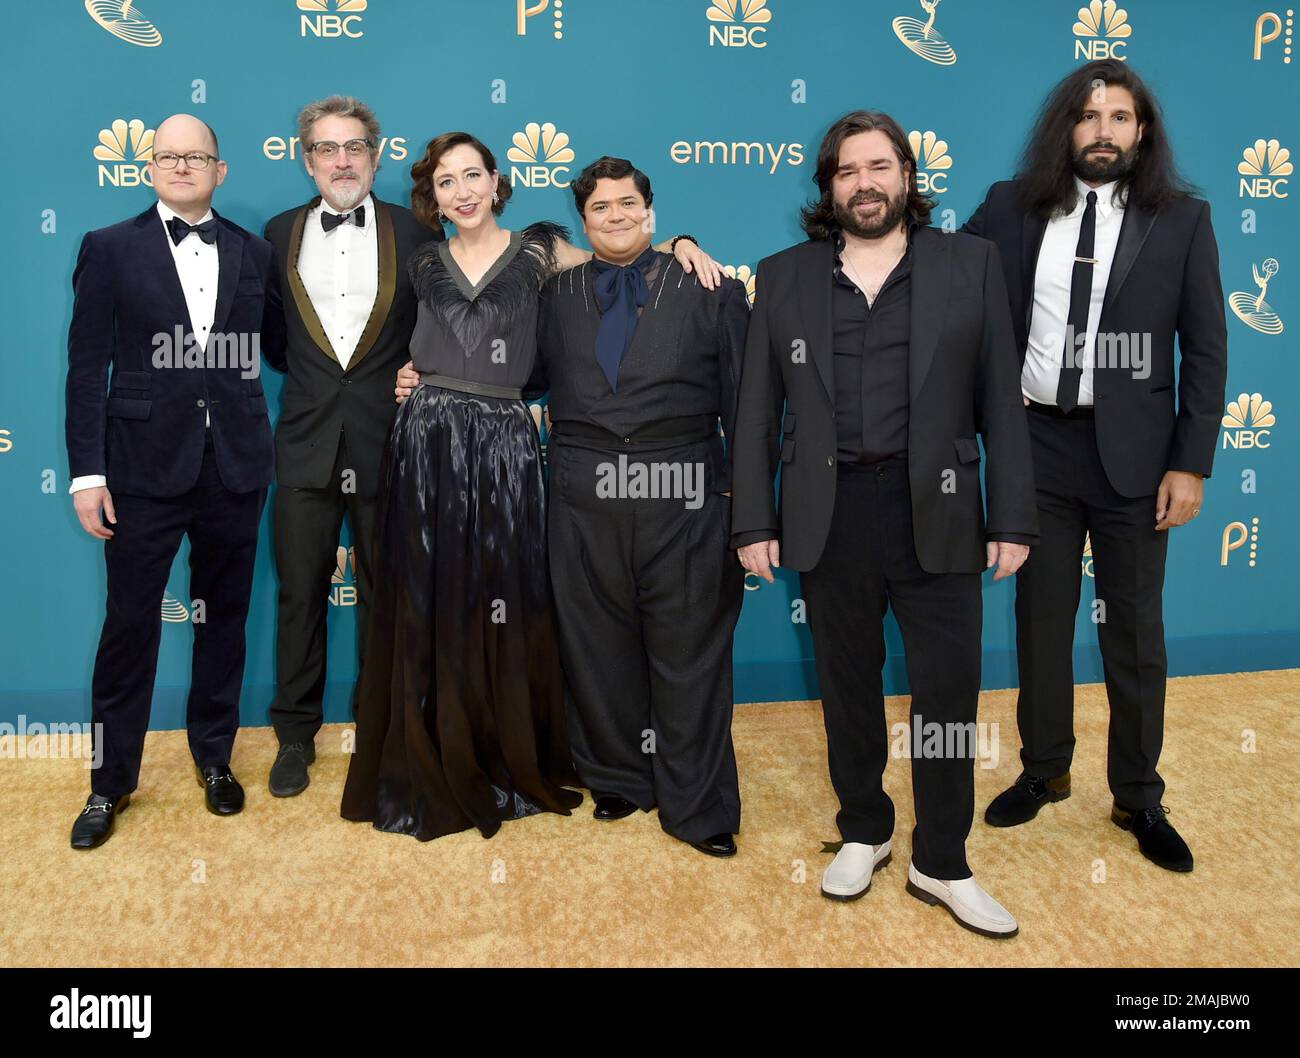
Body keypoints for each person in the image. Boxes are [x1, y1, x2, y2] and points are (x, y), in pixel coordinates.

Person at [346, 132, 722, 841]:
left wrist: (682, 243)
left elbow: (621, 253)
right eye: (446, 181)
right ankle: (432, 755)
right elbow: (400, 346)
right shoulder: (423, 263)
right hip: (426, 441)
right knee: (430, 602)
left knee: (503, 605)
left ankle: (501, 756)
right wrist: (410, 376)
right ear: (434, 197)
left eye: (472, 175)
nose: (462, 191)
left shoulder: (544, 250)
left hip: (505, 445)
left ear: (496, 182)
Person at [730, 110, 1038, 937]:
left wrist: (1012, 516)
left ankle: (942, 858)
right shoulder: (784, 276)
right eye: (846, 171)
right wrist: (753, 520)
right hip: (829, 512)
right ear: (828, 187)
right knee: (847, 684)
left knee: (947, 693)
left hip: (940, 506)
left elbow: (1001, 400)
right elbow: (757, 409)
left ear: (906, 175)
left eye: (878, 167)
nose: (863, 184)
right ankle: (864, 828)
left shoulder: (969, 264)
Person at [964, 61, 1228, 872]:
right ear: (1066, 127)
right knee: (1040, 622)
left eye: (1119, 117)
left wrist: (1191, 463)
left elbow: (1206, 348)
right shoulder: (1009, 206)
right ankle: (1044, 771)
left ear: (1141, 131)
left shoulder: (1182, 220)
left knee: (1136, 633)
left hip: (1138, 459)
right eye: (1088, 116)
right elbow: (933, 267)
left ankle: (1139, 796)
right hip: (1035, 446)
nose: (1103, 131)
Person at [66, 114, 286, 849]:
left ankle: (214, 758)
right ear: (150, 168)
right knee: (129, 627)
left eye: (197, 156)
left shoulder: (255, 252)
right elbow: (85, 367)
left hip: (235, 466)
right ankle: (109, 783)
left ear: (220, 170)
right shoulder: (108, 248)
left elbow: (286, 349)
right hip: (139, 469)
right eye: (169, 156)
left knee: (224, 621)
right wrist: (87, 473)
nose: (182, 165)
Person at [536, 156, 750, 856]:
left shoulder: (711, 288)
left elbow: (747, 404)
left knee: (690, 651)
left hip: (683, 489)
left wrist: (743, 500)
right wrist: (426, 371)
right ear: (583, 221)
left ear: (651, 211)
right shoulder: (555, 294)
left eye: (628, 203)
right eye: (600, 208)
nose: (617, 216)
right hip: (582, 487)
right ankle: (619, 778)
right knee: (597, 645)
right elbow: (515, 371)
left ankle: (699, 805)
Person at [262, 96, 439, 797]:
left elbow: (447, 320)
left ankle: (382, 729)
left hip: (389, 441)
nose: (342, 161)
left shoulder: (417, 231)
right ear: (307, 159)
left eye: (355, 147)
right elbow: (276, 342)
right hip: (305, 441)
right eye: (327, 149)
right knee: (298, 595)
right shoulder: (278, 233)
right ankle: (294, 737)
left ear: (376, 155)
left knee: (385, 596)